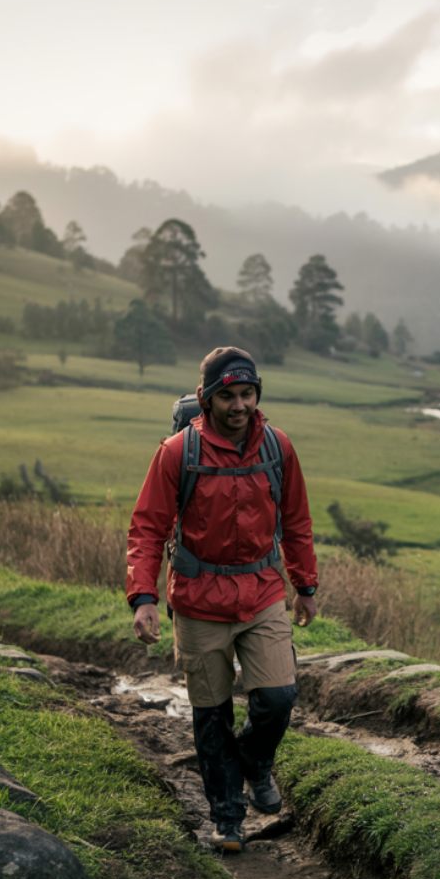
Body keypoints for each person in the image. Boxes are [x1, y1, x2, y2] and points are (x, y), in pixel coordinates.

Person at [125, 346, 318, 852]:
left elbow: (296, 521)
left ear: (257, 395)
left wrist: (306, 586)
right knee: (212, 716)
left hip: (262, 591)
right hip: (197, 600)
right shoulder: (177, 453)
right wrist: (143, 597)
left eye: (247, 394)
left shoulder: (278, 447)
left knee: (278, 697)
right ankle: (227, 818)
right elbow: (147, 528)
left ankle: (255, 762)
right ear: (206, 398)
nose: (239, 406)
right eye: (228, 396)